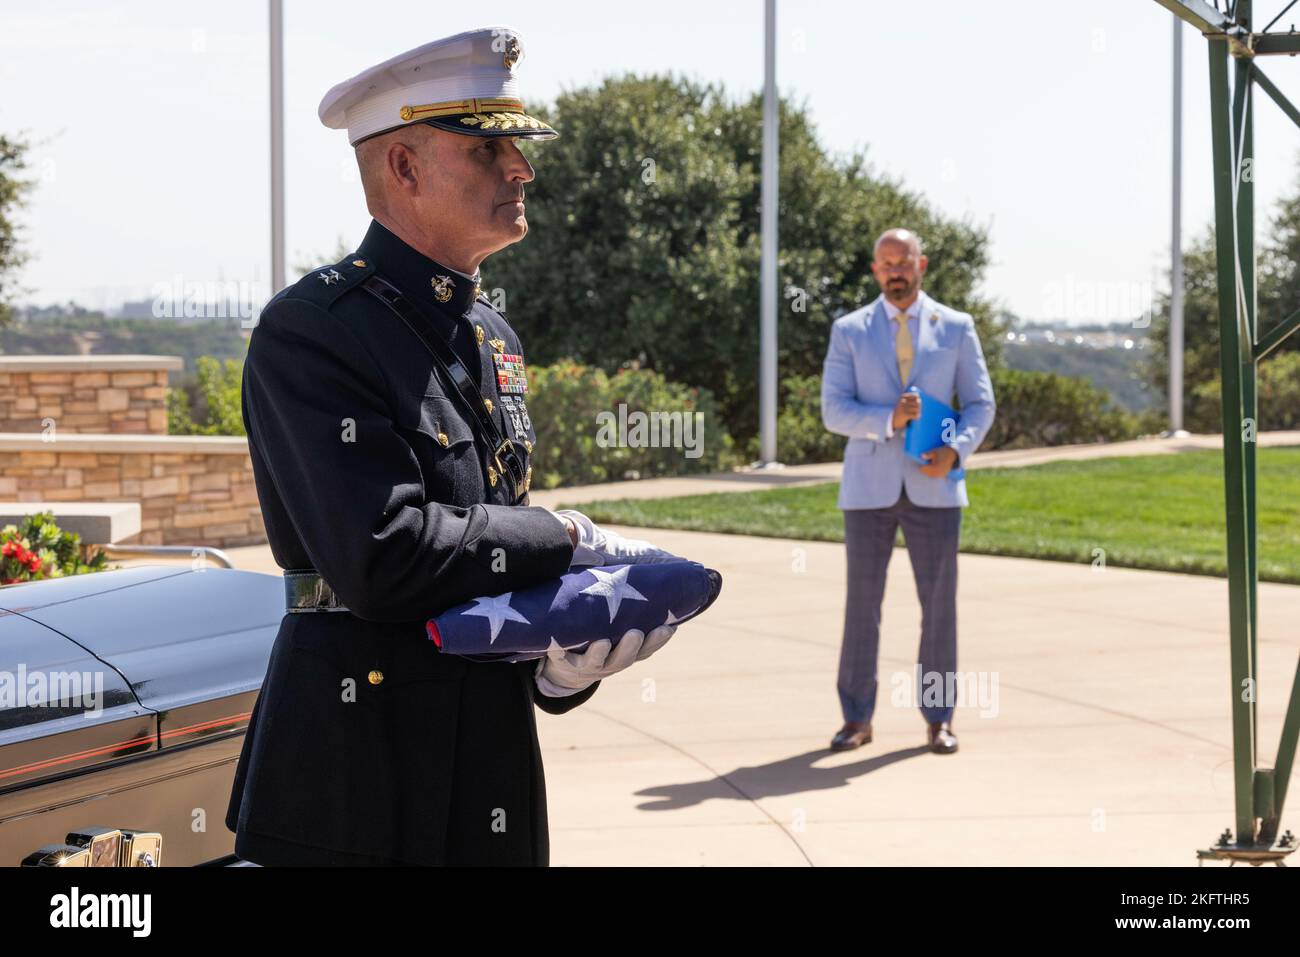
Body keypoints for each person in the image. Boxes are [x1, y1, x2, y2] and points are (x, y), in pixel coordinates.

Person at [225, 26, 676, 866]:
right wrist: (565, 541)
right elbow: (381, 555)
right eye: (489, 147)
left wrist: (556, 662)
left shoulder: (490, 335)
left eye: (517, 147)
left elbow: (479, 550)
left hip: (490, 773)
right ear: (403, 166)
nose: (521, 169)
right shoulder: (313, 331)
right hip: (355, 778)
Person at [820, 228, 995, 755]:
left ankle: (938, 720)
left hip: (936, 488)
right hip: (867, 489)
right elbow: (834, 410)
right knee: (862, 607)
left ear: (922, 264)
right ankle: (856, 719)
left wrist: (957, 451)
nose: (895, 271)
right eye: (885, 263)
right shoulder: (849, 330)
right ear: (875, 271)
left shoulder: (958, 328)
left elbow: (981, 404)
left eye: (904, 262)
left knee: (939, 608)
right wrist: (887, 418)